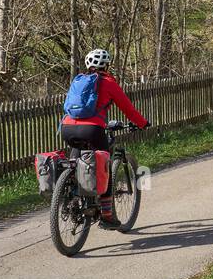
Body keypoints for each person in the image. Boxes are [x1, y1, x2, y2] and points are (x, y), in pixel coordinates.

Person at [61, 48, 149, 225]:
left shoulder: (78, 80)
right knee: (104, 167)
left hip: (67, 127)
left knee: (75, 160)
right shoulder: (108, 83)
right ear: (107, 65)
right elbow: (128, 109)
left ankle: (68, 198)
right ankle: (107, 215)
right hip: (92, 130)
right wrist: (142, 123)